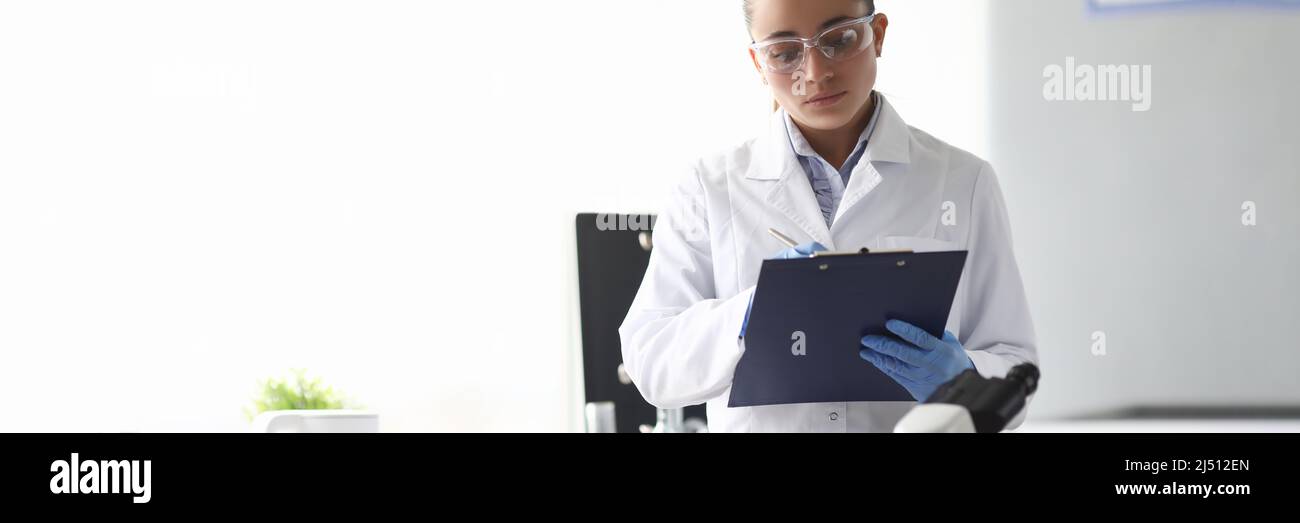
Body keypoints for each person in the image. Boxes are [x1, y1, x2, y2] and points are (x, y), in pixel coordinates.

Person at [618, 0, 1038, 432]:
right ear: (757, 62)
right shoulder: (708, 187)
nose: (816, 72)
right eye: (784, 53)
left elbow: (1015, 365)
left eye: (839, 40)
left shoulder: (963, 182)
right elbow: (651, 359)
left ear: (878, 34)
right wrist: (749, 312)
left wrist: (964, 377)